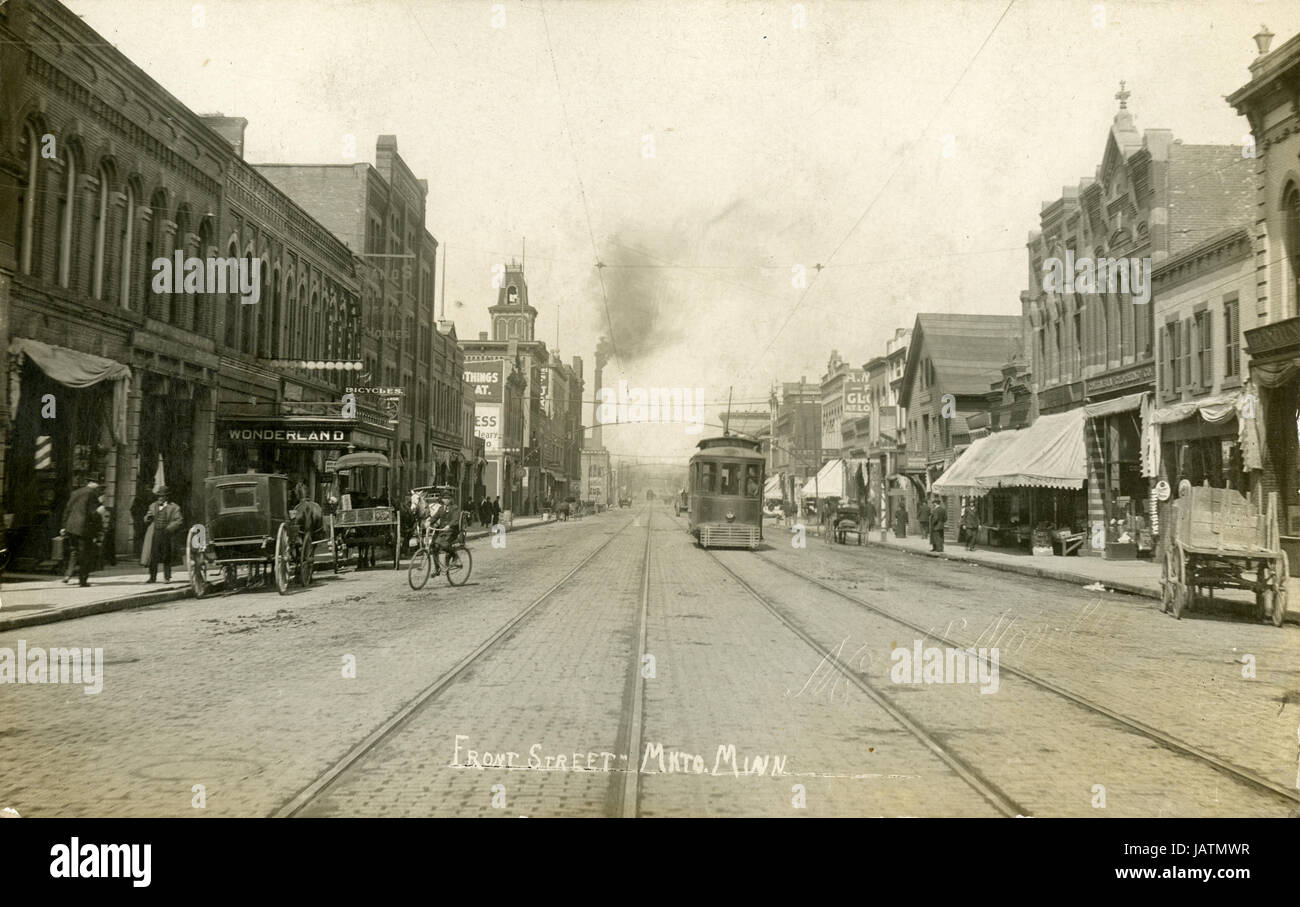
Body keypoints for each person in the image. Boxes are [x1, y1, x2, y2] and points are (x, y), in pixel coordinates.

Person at [61, 476, 102, 587]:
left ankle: (67, 575)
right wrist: (100, 511)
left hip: (71, 527)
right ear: (93, 483)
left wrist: (64, 526)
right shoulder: (92, 494)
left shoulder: (75, 492)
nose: (99, 486)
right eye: (98, 484)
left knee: (74, 551)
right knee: (85, 554)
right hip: (84, 529)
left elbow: (67, 510)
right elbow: (93, 514)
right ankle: (82, 580)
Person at [142, 487, 184, 583]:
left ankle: (167, 577)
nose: (160, 498)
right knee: (153, 556)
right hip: (155, 533)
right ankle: (152, 577)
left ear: (167, 497)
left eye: (162, 496)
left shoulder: (174, 507)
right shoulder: (153, 506)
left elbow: (179, 520)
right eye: (159, 496)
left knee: (166, 555)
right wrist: (147, 518)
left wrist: (169, 528)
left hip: (167, 534)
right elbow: (146, 519)